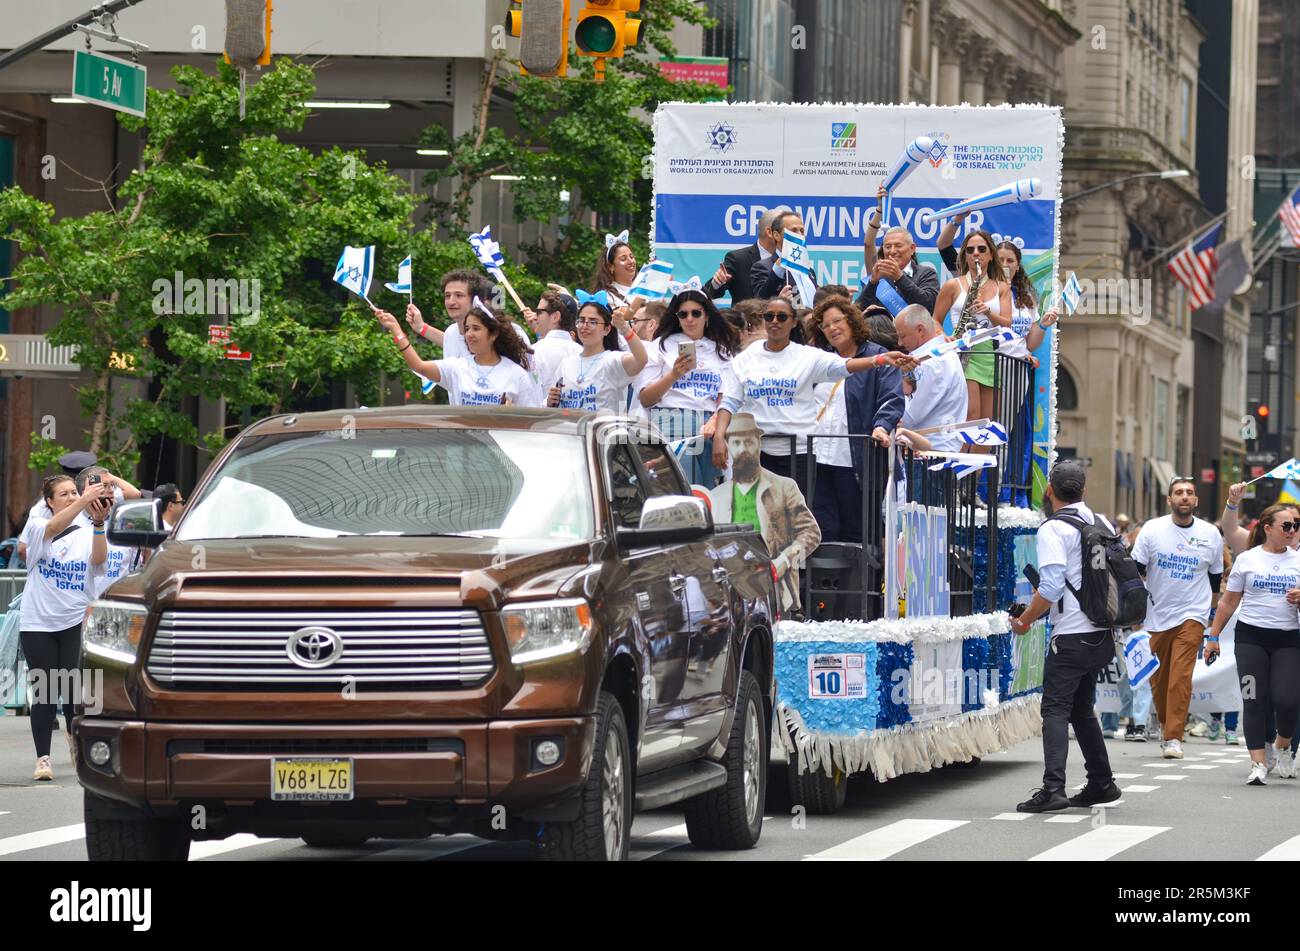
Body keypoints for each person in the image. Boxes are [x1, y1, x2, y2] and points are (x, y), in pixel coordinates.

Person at [713, 295, 912, 500]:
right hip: (755, 452)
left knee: (792, 520)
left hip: (797, 453)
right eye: (769, 316)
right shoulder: (746, 358)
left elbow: (844, 365)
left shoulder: (807, 356)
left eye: (781, 317)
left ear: (793, 322)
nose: (774, 321)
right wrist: (719, 436)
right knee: (755, 518)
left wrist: (878, 359)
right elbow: (730, 401)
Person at [1008, 460, 1121, 812]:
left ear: (1049, 491)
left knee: (1055, 709)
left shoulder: (1054, 529)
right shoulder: (1100, 522)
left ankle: (1053, 788)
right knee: (1082, 710)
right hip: (1102, 632)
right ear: (1083, 491)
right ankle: (1101, 782)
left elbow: (1053, 587)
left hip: (1071, 634)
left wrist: (1025, 620)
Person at [19, 474, 114, 781]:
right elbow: (52, 528)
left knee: (74, 692)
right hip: (38, 623)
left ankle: (78, 749)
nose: (73, 497)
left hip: (75, 620)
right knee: (45, 690)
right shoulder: (37, 526)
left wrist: (99, 524)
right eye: (65, 494)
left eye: (75, 492)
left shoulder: (88, 528)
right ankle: (43, 759)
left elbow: (100, 560)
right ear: (49, 502)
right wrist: (86, 499)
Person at [1130, 478, 1225, 758]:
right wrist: (1136, 609)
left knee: (1180, 677)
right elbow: (1135, 570)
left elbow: (1215, 578)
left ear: (1196, 501)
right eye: (1179, 493)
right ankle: (1164, 724)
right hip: (1156, 615)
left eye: (1190, 493)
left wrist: (1210, 615)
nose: (1185, 497)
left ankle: (1174, 737)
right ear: (1169, 500)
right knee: (1158, 681)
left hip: (1192, 615)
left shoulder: (1210, 534)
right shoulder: (1152, 529)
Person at [1206, 504, 1300, 785]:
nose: (1292, 531)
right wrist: (1213, 637)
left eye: (1295, 526)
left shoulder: (1297, 560)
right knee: (1254, 700)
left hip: (1288, 639)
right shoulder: (1247, 559)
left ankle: (1282, 745)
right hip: (1251, 638)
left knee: (1288, 700)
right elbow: (1228, 602)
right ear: (1267, 527)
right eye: (1286, 526)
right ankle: (1258, 763)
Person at [808, 296, 904, 542]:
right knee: (823, 527)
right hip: (818, 456)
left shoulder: (879, 357)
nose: (831, 329)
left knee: (858, 529)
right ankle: (825, 580)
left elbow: (891, 399)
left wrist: (881, 427)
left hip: (856, 458)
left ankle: (862, 581)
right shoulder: (820, 360)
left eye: (836, 321)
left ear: (852, 321)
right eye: (825, 325)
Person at [707, 413, 821, 615]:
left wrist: (785, 561)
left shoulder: (785, 487)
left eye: (749, 442)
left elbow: (812, 534)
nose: (743, 449)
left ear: (759, 444)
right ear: (727, 446)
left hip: (775, 588)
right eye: (736, 443)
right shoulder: (717, 496)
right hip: (730, 591)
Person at [638, 286, 741, 487]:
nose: (689, 319)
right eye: (683, 314)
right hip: (670, 422)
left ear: (707, 316)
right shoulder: (661, 345)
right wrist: (674, 374)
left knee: (710, 493)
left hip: (708, 427)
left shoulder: (721, 350)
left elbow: (726, 396)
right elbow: (645, 398)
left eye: (696, 313)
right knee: (681, 492)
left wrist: (717, 426)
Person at [374, 298, 540, 406]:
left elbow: (530, 423)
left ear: (494, 334)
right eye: (467, 329)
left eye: (476, 329)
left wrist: (512, 416)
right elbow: (419, 366)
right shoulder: (458, 367)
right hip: (464, 455)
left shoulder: (516, 374)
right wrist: (396, 329)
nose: (469, 334)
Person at [932, 229, 1012, 430]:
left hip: (990, 352)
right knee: (971, 414)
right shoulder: (953, 285)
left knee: (987, 421)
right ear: (964, 256)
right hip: (964, 351)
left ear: (991, 254)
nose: (976, 253)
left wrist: (988, 313)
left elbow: (1007, 324)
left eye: (981, 249)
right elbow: (935, 320)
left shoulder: (1002, 287)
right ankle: (962, 459)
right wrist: (944, 337)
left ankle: (978, 462)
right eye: (970, 250)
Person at [547, 293, 648, 414]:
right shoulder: (565, 364)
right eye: (581, 320)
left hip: (602, 432)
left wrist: (625, 329)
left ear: (607, 329)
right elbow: (555, 406)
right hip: (569, 431)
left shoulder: (613, 361)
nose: (585, 326)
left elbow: (641, 359)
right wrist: (550, 401)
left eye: (593, 322)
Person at [402, 268, 531, 358]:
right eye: (447, 295)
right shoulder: (451, 333)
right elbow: (453, 340)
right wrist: (421, 327)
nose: (451, 301)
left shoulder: (512, 333)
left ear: (476, 300)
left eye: (459, 295)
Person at [891, 303, 969, 451]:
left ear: (920, 330)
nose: (900, 343)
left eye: (903, 336)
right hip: (940, 447)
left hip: (929, 452)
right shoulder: (943, 354)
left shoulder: (928, 362)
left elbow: (909, 417)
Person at [855, 217, 940, 316]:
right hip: (882, 331)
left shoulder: (926, 273)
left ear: (912, 248)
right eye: (888, 247)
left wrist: (900, 278)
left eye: (898, 246)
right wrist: (872, 283)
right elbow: (858, 312)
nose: (892, 251)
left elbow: (928, 306)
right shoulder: (879, 276)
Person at [706, 208, 785, 304]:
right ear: (770, 232)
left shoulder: (793, 261)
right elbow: (709, 292)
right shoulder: (738, 259)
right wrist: (717, 283)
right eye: (786, 229)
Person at [521, 291, 582, 393]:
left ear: (555, 317)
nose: (535, 316)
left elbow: (529, 398)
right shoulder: (583, 352)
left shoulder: (533, 352)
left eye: (539, 311)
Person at [750, 211, 817, 300]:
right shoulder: (762, 267)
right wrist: (779, 301)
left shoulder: (809, 271)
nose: (800, 235)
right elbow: (760, 302)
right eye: (793, 231)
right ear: (776, 235)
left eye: (802, 231)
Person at [594, 232, 639, 310]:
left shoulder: (642, 287)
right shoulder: (607, 296)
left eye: (631, 257)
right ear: (610, 266)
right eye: (623, 259)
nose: (631, 262)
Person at [1220, 482, 1252, 556]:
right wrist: (1233, 502)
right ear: (1268, 529)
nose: (1285, 531)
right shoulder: (1260, 543)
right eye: (1284, 525)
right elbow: (1231, 530)